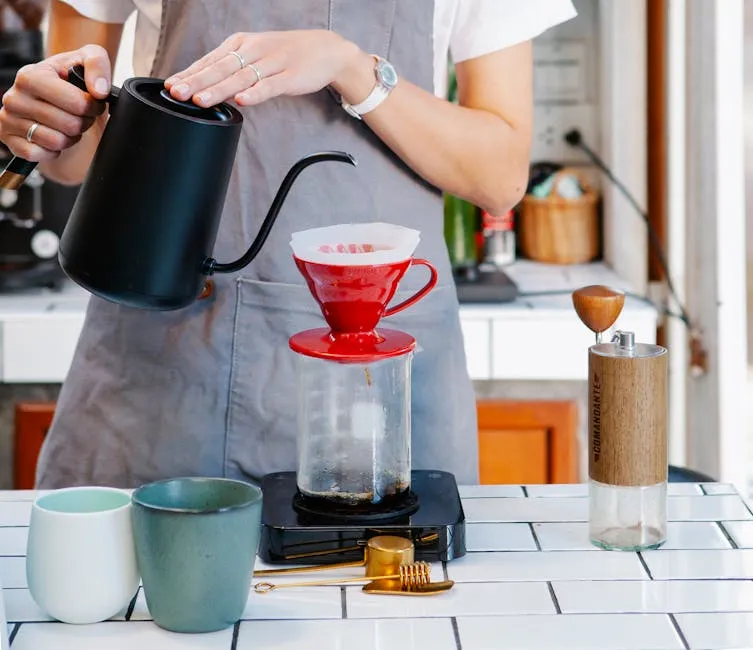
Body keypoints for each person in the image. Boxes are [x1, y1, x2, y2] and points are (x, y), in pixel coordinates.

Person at [0, 0, 576, 489]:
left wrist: (350, 69)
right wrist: (51, 117)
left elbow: (498, 177)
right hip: (163, 360)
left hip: (375, 371)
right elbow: (70, 162)